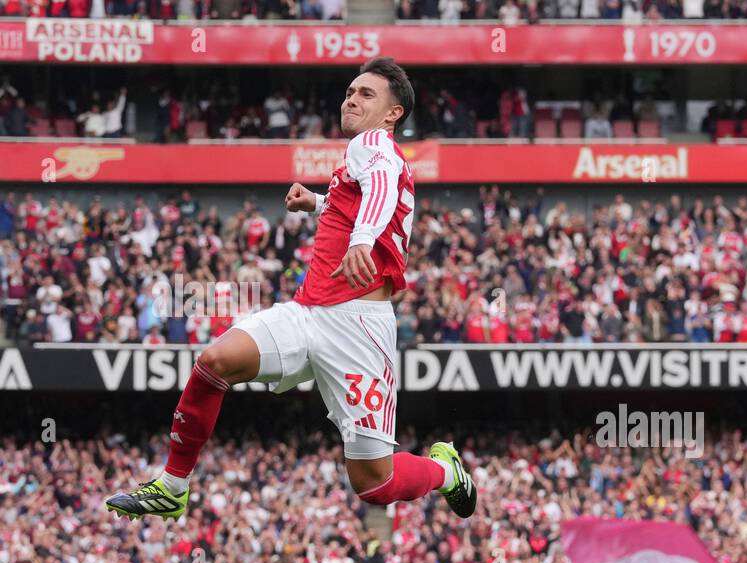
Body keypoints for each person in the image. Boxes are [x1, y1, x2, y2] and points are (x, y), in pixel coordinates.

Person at [105, 58, 476, 523]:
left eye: (366, 93)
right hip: (308, 313)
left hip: (359, 329)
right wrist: (320, 203)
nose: (351, 99)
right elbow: (368, 203)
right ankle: (173, 486)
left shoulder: (374, 144)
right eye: (349, 91)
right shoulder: (371, 156)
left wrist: (362, 241)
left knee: (375, 484)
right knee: (214, 362)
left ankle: (445, 471)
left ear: (392, 114)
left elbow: (379, 190)